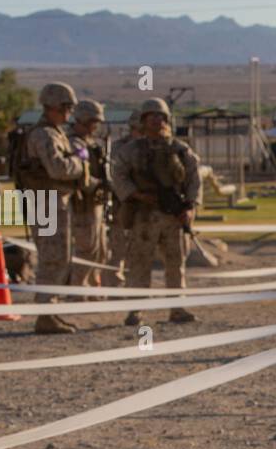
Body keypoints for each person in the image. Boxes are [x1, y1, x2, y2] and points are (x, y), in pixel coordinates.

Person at [111, 97, 202, 325]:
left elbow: (194, 179)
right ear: (143, 121)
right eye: (151, 117)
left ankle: (177, 308)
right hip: (144, 216)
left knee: (175, 263)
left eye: (160, 116)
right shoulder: (131, 150)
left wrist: (190, 207)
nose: (156, 121)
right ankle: (137, 310)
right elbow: (118, 175)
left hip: (173, 217)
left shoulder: (180, 150)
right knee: (139, 264)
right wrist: (136, 194)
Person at [15, 82, 89, 334]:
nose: (69, 114)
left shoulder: (54, 133)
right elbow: (57, 168)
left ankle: (51, 311)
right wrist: (80, 164)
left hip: (52, 201)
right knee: (51, 257)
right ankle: (44, 314)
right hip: (45, 202)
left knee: (60, 257)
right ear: (54, 107)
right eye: (66, 108)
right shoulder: (43, 135)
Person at [66, 99, 108, 289]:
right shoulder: (75, 144)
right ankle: (78, 288)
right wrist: (100, 184)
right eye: (93, 122)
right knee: (86, 249)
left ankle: (91, 285)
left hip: (95, 203)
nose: (96, 126)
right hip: (81, 204)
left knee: (99, 250)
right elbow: (79, 175)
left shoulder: (89, 143)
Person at [103, 110, 141, 288]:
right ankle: (114, 285)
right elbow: (113, 177)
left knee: (139, 250)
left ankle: (135, 286)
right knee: (117, 249)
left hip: (144, 208)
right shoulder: (119, 148)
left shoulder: (151, 147)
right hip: (121, 206)